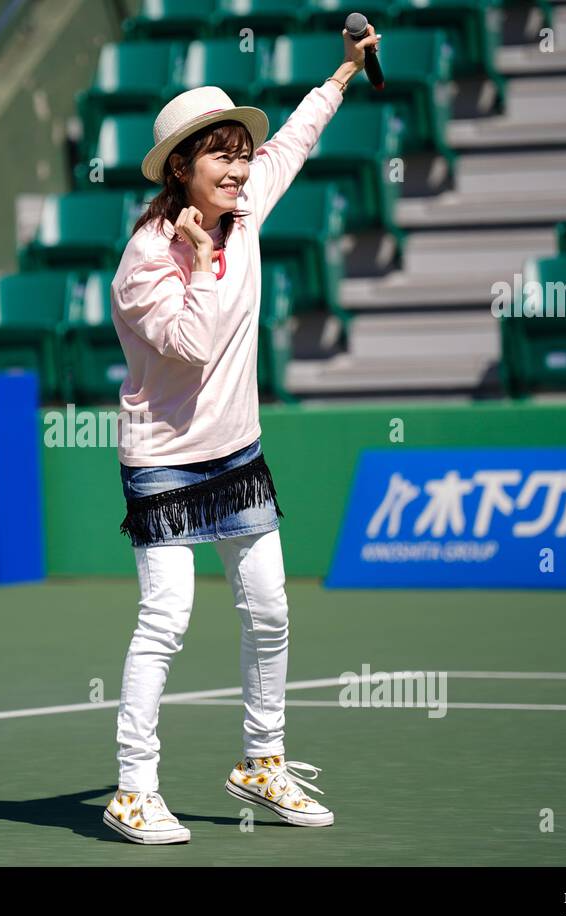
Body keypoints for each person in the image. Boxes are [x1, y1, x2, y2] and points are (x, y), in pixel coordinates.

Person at [102, 26, 380, 844]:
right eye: (217, 155)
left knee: (270, 612)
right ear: (179, 168)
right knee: (168, 619)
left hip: (237, 456)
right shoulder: (146, 260)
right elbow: (193, 343)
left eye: (239, 152)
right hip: (163, 461)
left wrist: (344, 72)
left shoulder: (247, 204)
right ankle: (132, 788)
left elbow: (295, 136)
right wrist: (202, 256)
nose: (237, 166)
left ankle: (262, 762)